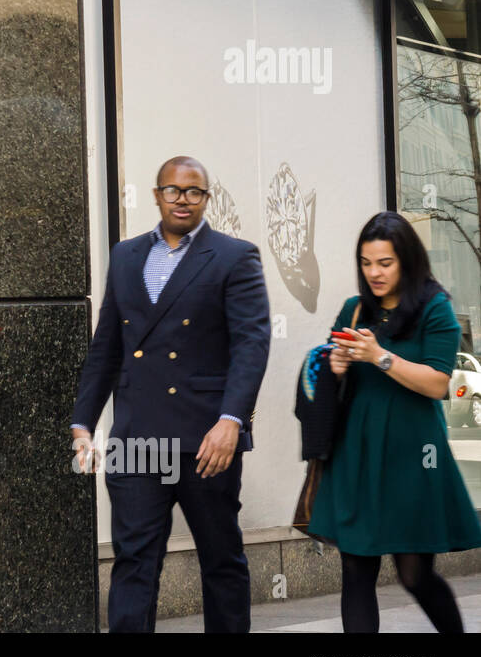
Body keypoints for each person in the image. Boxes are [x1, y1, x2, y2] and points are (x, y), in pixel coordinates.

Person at [72, 155, 270, 632]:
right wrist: (83, 422)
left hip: (206, 439)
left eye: (194, 191)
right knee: (134, 563)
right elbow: (107, 347)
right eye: (173, 190)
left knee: (221, 560)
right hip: (137, 437)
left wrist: (231, 421)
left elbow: (251, 344)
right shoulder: (125, 255)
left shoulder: (233, 255)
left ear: (207, 198)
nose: (183, 199)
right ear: (157, 194)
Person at [309, 210, 481, 632]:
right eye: (366, 263)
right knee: (355, 572)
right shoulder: (354, 310)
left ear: (406, 259)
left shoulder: (434, 309)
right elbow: (334, 377)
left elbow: (438, 384)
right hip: (356, 455)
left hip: (413, 458)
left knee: (413, 574)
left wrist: (379, 357)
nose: (374, 273)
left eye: (384, 263)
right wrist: (336, 365)